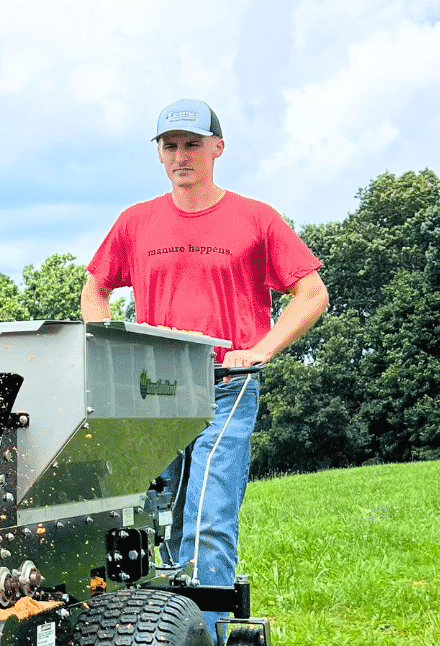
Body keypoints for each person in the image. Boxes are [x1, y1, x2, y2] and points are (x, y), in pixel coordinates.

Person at [80, 98, 328, 586]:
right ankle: (165, 634)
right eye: (169, 146)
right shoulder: (136, 222)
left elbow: (312, 292)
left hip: (226, 384)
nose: (180, 156)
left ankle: (206, 642)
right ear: (158, 154)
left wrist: (261, 349)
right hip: (155, 390)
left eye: (192, 144)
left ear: (218, 147)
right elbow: (95, 290)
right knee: (154, 517)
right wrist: (110, 348)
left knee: (207, 517)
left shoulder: (255, 218)